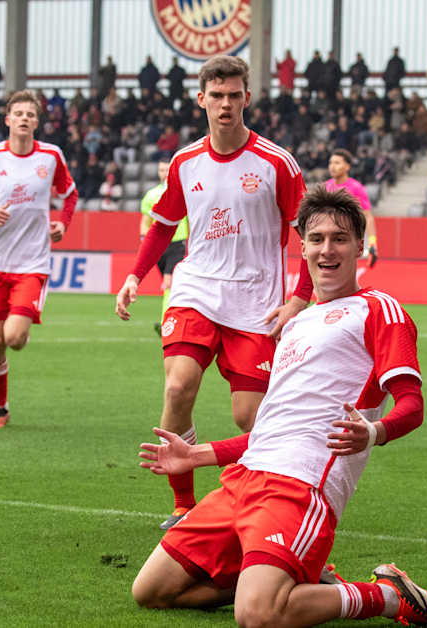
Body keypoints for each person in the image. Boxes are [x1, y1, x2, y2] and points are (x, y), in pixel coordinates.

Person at [131, 185, 427, 628]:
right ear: (301, 246)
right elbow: (269, 432)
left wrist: (373, 432)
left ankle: (385, 596)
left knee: (256, 615)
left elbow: (412, 405)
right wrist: (197, 454)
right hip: (242, 480)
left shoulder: (379, 310)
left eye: (340, 239)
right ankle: (298, 580)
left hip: (300, 486)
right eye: (317, 238)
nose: (327, 249)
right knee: (150, 591)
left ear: (360, 245)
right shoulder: (296, 323)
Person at [113, 56, 313, 530]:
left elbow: (309, 233)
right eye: (216, 95)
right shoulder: (185, 162)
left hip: (257, 304)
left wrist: (299, 300)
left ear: (248, 98)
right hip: (196, 289)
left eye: (234, 95)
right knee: (178, 385)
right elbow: (162, 227)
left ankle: (250, 496)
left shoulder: (277, 163)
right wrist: (134, 276)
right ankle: (183, 505)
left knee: (251, 420)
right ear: (201, 99)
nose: (226, 104)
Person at [0, 89, 78, 429]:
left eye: (30, 114)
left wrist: (62, 224)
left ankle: (23, 326)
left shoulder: (51, 156)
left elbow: (70, 196)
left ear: (37, 122)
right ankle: (1, 408)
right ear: (8, 120)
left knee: (14, 339)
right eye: (19, 113)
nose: (25, 118)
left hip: (32, 263)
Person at [139, 159, 189, 333]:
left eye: (167, 169)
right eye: (161, 169)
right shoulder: (151, 195)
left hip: (178, 243)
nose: (164, 173)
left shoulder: (181, 191)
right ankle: (172, 321)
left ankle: (165, 323)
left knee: (169, 283)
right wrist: (145, 240)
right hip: (161, 246)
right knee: (169, 285)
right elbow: (145, 222)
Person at [324, 148, 378, 268]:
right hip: (327, 243)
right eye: (331, 163)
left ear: (347, 167)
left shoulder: (356, 188)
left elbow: (368, 217)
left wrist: (373, 244)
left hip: (346, 243)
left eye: (337, 163)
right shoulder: (325, 187)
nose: (332, 166)